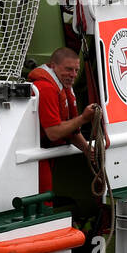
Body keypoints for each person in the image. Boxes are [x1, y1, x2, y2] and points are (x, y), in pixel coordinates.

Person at [27, 47, 96, 195]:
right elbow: (53, 132)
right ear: (53, 66)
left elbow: (71, 129)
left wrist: (87, 150)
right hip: (36, 154)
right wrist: (84, 118)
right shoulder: (45, 88)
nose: (73, 75)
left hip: (48, 153)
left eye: (76, 70)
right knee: (44, 198)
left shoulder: (63, 87)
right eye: (68, 69)